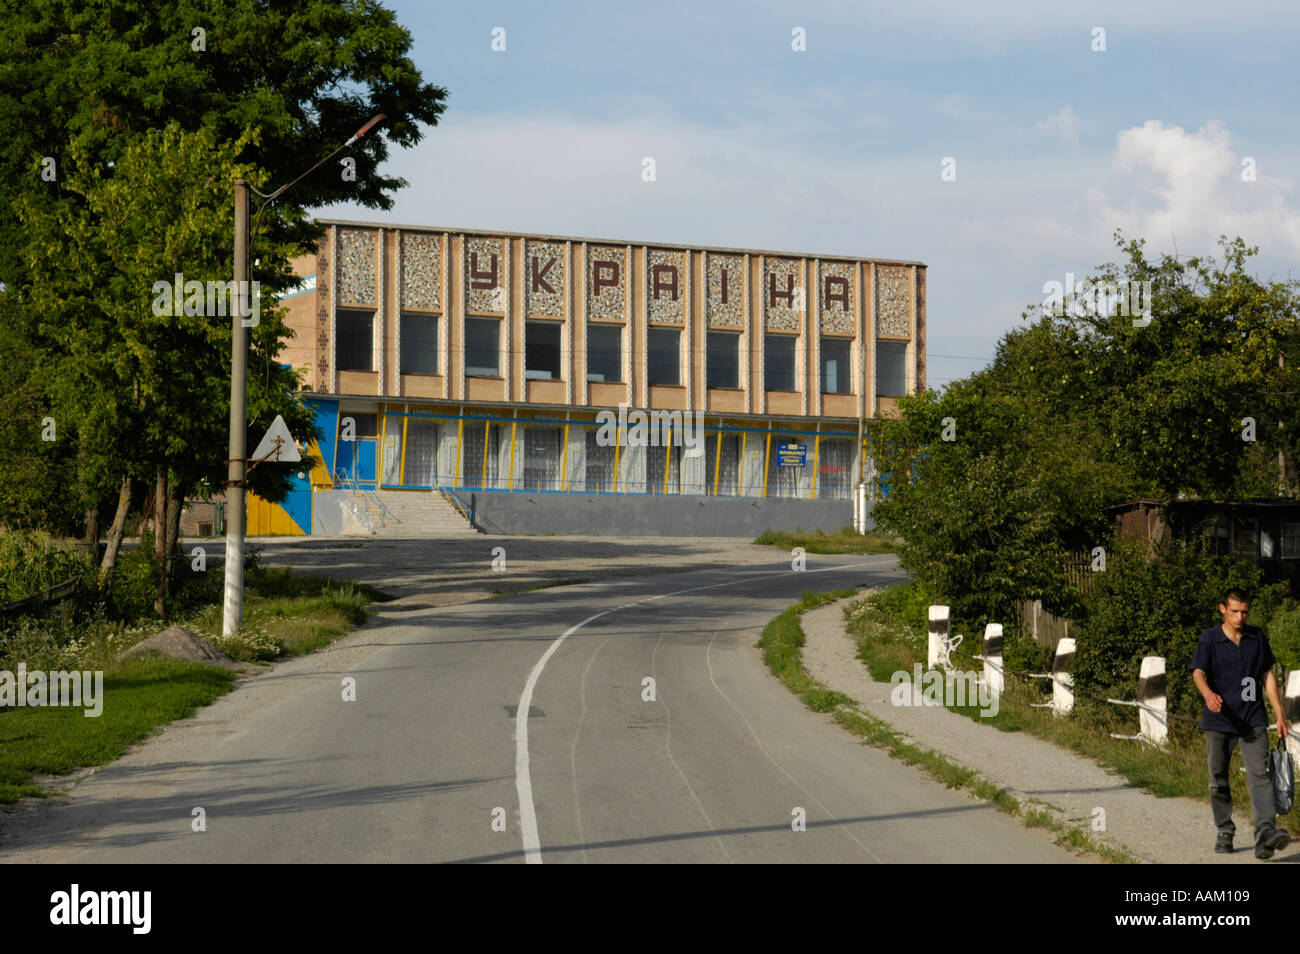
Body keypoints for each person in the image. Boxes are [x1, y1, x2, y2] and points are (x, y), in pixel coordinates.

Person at [1190, 587, 1291, 859]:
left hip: (1252, 718)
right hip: (1219, 719)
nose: (1239, 617)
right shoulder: (1210, 639)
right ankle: (1225, 829)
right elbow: (1198, 672)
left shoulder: (1256, 637)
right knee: (1217, 778)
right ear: (1223, 609)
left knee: (1259, 774)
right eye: (1234, 611)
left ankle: (1265, 833)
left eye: (1244, 611)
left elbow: (1267, 675)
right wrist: (1208, 694)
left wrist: (1279, 713)